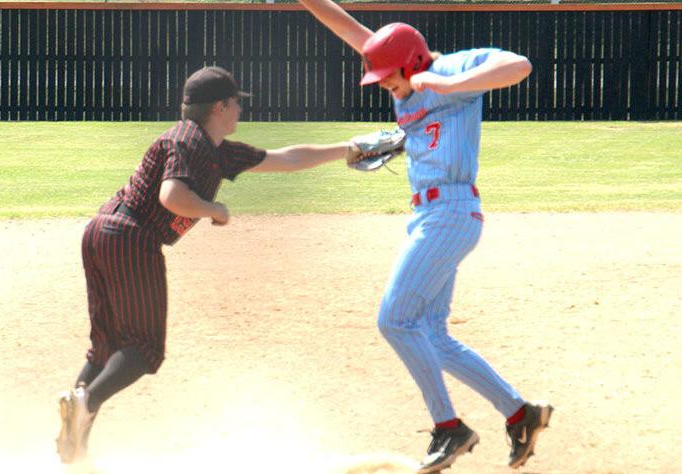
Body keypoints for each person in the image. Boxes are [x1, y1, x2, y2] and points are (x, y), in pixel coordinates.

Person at [56, 65, 368, 464]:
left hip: (102, 231)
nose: (241, 109)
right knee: (144, 349)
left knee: (106, 349)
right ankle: (87, 405)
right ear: (220, 107)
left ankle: (75, 445)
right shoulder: (190, 140)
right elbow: (172, 196)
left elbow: (288, 158)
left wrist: (349, 148)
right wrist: (213, 209)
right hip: (132, 238)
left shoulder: (214, 149)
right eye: (236, 102)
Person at [297, 2, 553, 472]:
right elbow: (349, 28)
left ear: (413, 63)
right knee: (431, 336)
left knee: (395, 320)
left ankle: (448, 427)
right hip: (427, 215)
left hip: (450, 211)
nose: (384, 85)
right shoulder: (397, 68)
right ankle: (521, 414)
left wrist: (449, 85)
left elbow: (519, 66)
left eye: (388, 77)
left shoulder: (450, 70)